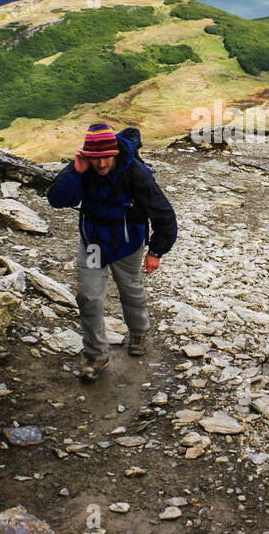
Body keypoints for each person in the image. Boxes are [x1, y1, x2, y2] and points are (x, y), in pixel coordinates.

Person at [45, 122, 177, 380]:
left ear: (115, 152)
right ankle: (96, 355)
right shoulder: (84, 169)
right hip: (94, 242)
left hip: (128, 242)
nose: (102, 164)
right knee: (89, 296)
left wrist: (156, 251)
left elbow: (163, 213)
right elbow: (57, 200)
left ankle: (138, 331)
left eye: (106, 157)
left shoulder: (135, 173)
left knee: (130, 288)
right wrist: (75, 170)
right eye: (96, 159)